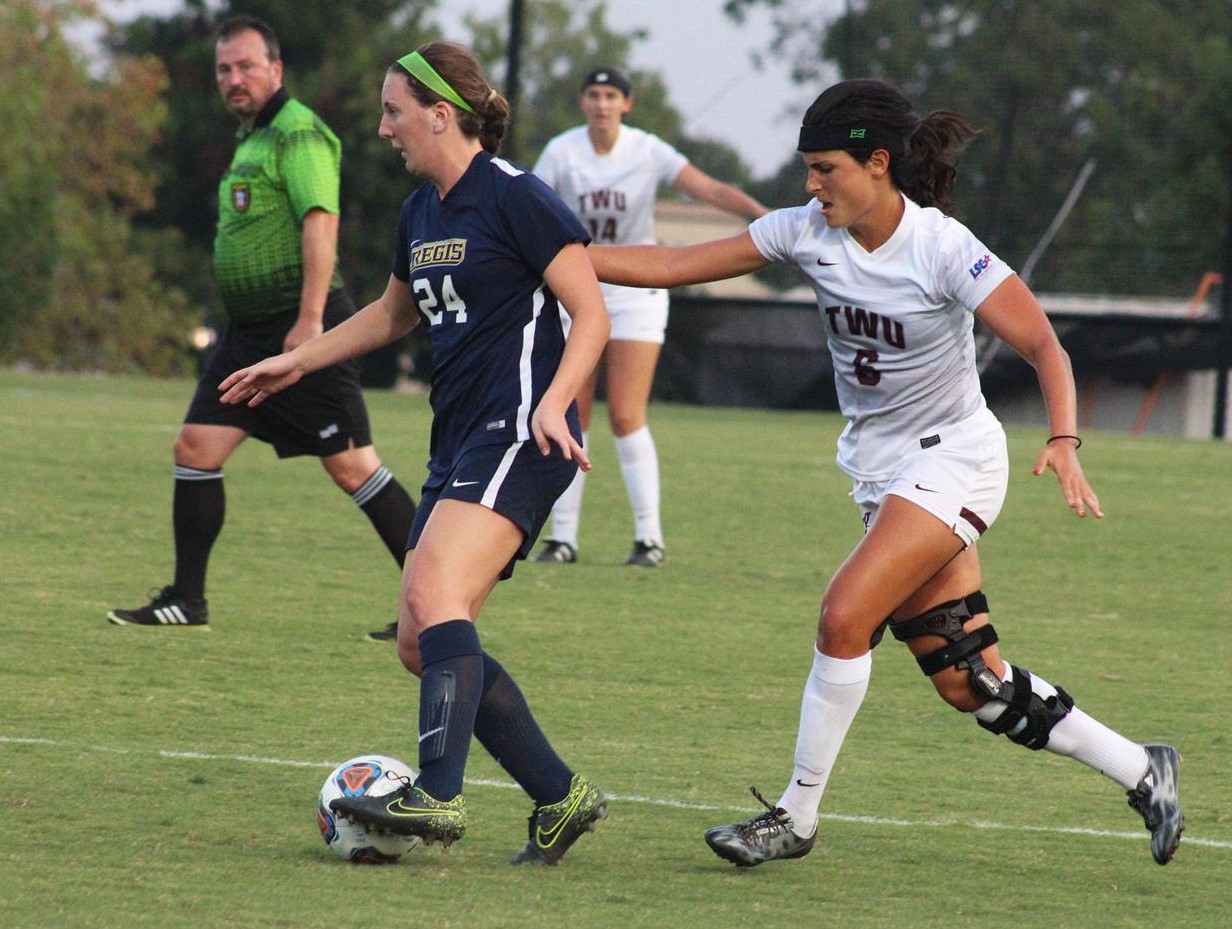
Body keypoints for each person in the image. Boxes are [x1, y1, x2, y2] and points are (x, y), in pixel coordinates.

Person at [588, 79, 1184, 868]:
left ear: (876, 164)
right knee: (970, 679)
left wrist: (1065, 437)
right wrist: (557, 254)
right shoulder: (806, 231)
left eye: (824, 168)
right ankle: (1144, 769)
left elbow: (1043, 343)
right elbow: (669, 262)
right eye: (805, 169)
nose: (809, 186)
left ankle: (794, 818)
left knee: (842, 617)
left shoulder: (940, 246)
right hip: (880, 474)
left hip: (955, 460)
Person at [219, 41, 612, 865]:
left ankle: (437, 793)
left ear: (441, 114)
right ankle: (558, 794)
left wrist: (555, 396)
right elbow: (394, 317)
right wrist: (300, 357)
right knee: (418, 636)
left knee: (436, 594)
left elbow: (591, 311)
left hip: (518, 432)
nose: (382, 126)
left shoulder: (515, 197)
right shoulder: (419, 211)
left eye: (394, 111)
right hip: (458, 442)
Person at [106, 16, 415, 640]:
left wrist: (307, 323)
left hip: (303, 326)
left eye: (246, 66)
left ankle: (433, 605)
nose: (233, 79)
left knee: (353, 466)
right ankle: (186, 601)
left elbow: (319, 223)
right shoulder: (251, 139)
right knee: (196, 448)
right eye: (224, 69)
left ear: (276, 70)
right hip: (246, 333)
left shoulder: (298, 133)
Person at [530, 66, 769, 567]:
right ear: (582, 102)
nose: (601, 104)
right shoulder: (562, 150)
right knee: (572, 411)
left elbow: (709, 190)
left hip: (637, 286)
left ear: (627, 104)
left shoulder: (646, 149)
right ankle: (562, 537)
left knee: (626, 412)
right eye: (593, 94)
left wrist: (761, 215)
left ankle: (648, 539)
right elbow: (532, 204)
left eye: (611, 95)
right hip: (580, 285)